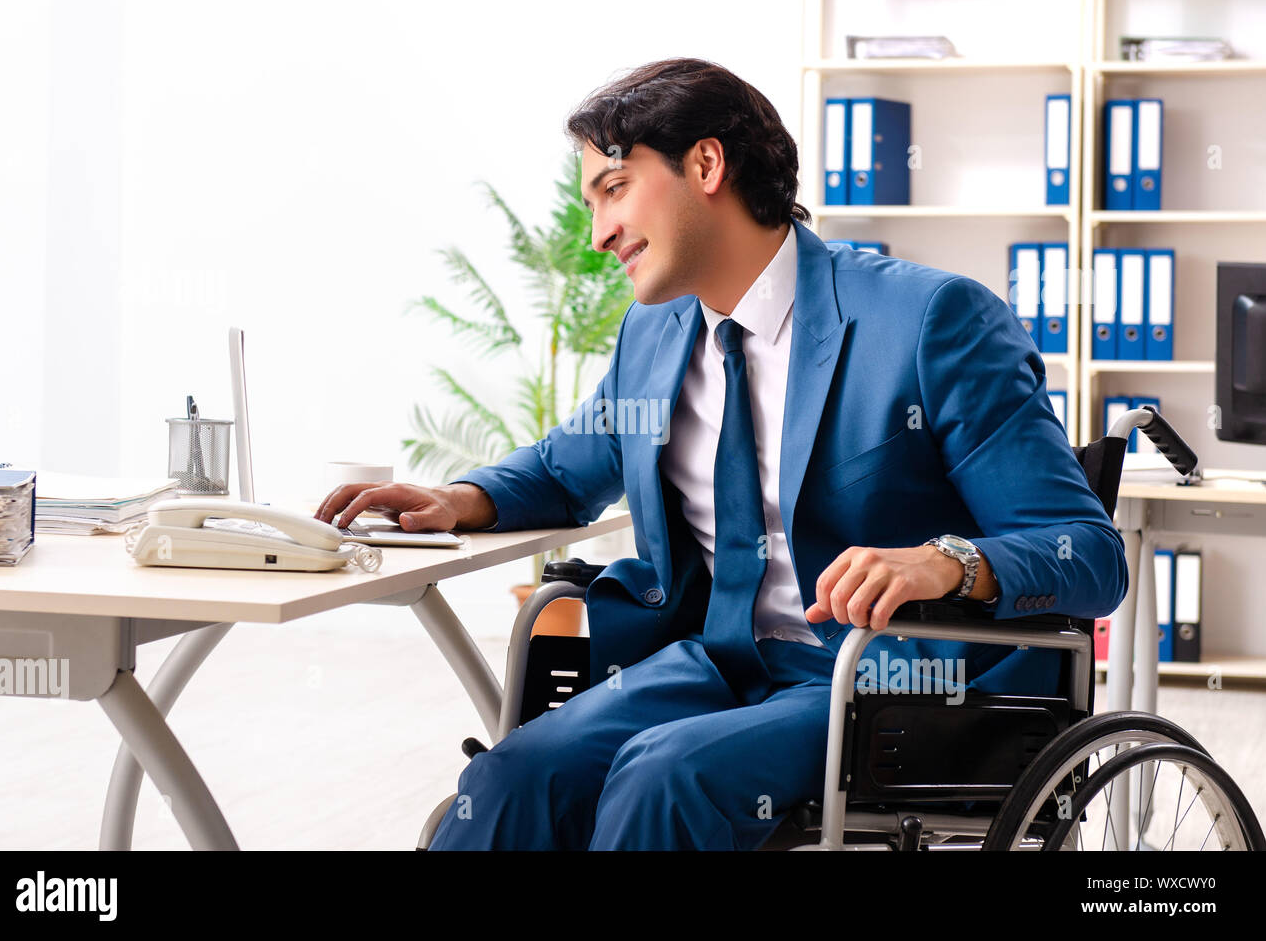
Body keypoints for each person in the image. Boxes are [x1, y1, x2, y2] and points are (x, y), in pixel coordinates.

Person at [315, 58, 1128, 851]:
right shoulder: (656, 331)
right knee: (513, 776)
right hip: (718, 661)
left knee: (663, 777)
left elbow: (1089, 553)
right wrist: (460, 500)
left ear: (706, 164)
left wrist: (945, 561)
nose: (599, 235)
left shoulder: (929, 320)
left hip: (891, 679)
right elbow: (568, 466)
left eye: (615, 189)